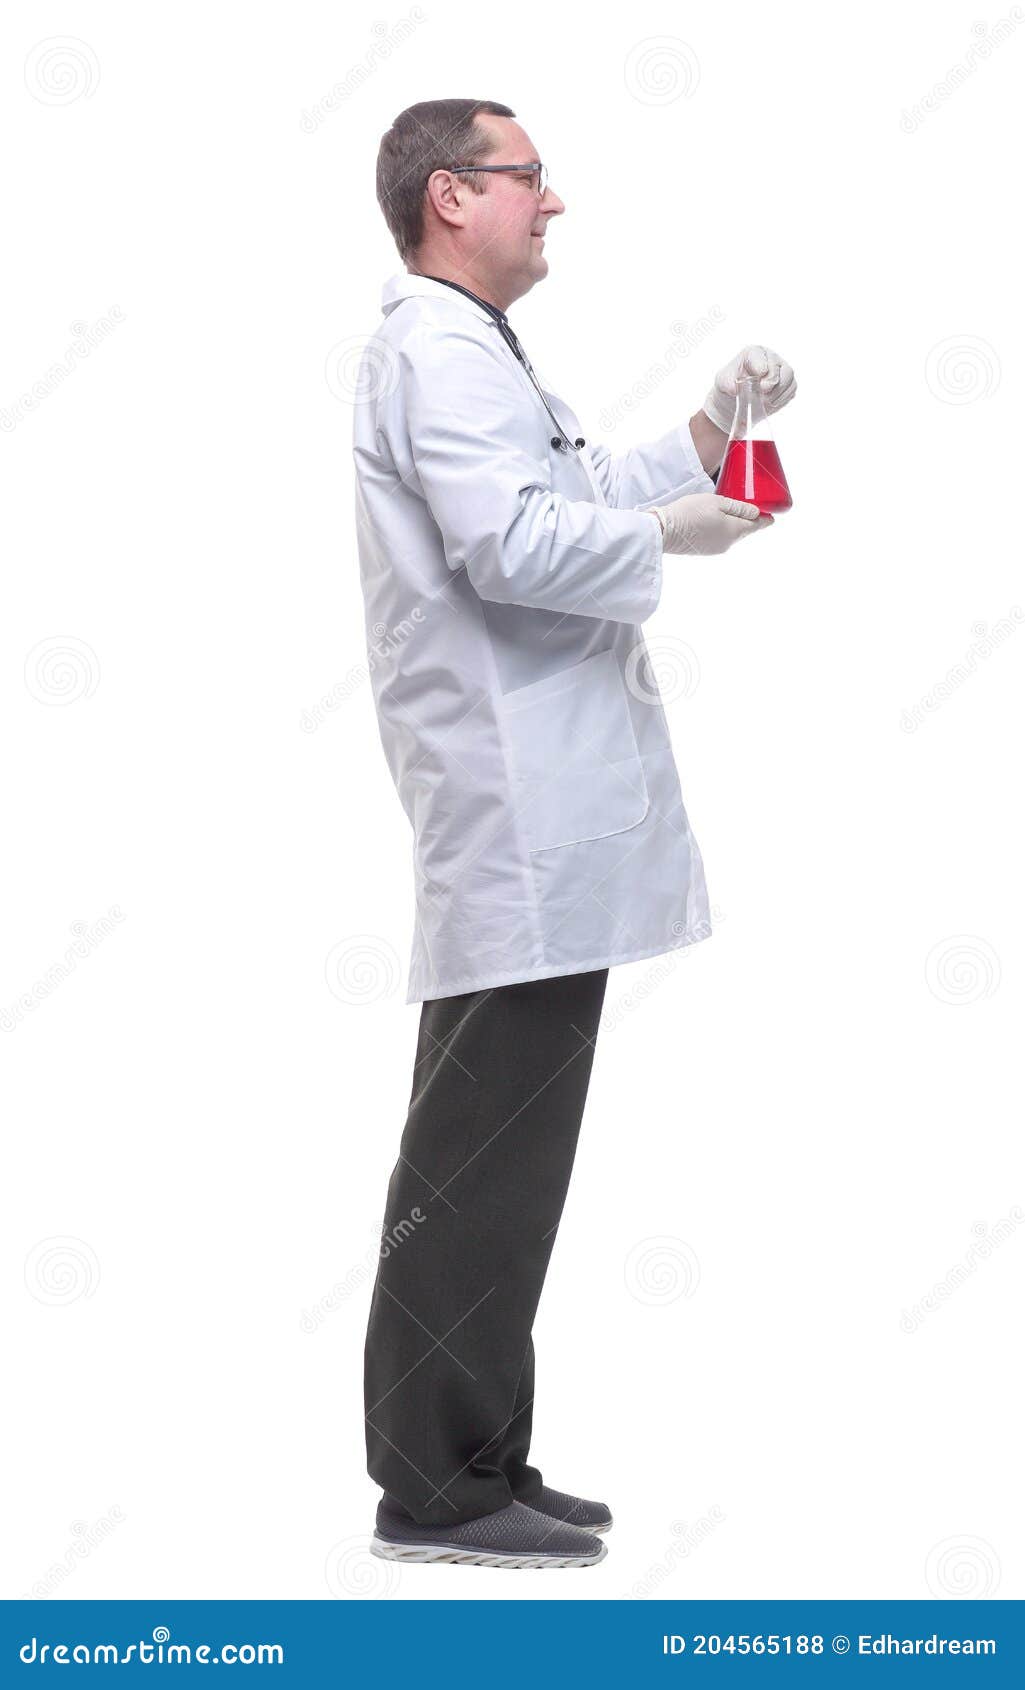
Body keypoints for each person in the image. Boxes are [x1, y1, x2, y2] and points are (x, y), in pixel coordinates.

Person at [353, 98, 796, 1570]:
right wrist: (670, 538)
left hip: (540, 816)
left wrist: (705, 434)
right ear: (446, 197)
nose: (553, 201)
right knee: (480, 1156)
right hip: (516, 818)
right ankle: (436, 1486)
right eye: (527, 176)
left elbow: (568, 487)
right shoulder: (429, 347)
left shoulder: (470, 351)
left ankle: (471, 1456)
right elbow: (511, 544)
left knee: (500, 1152)